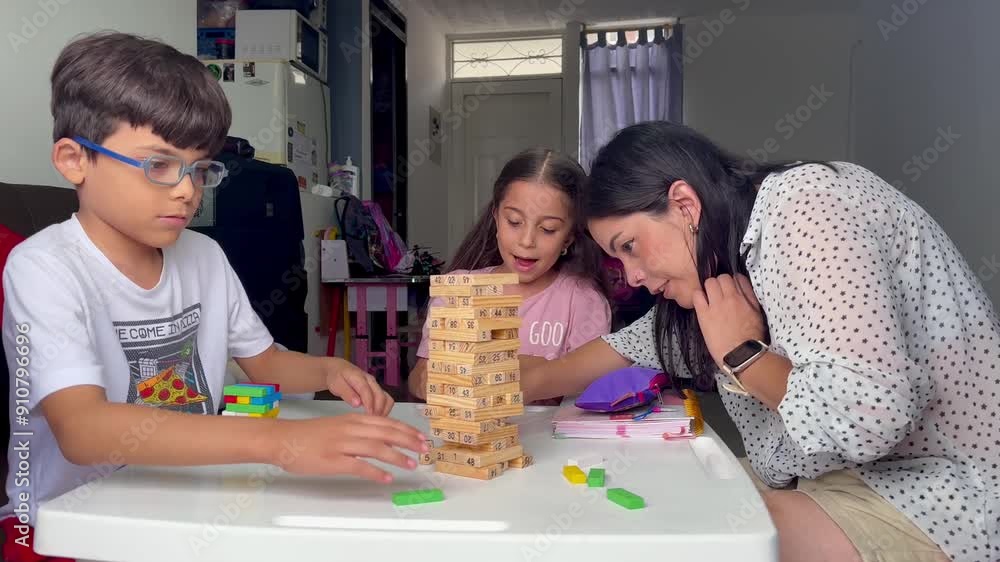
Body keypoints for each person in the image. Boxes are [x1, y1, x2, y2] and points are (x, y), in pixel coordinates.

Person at [0, 32, 428, 558]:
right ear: (73, 160)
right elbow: (83, 429)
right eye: (158, 165)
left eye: (200, 169)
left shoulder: (203, 254)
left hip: (189, 498)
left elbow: (265, 362)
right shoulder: (44, 266)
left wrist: (328, 372)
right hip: (78, 523)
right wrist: (278, 444)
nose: (187, 190)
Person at [524, 121, 997, 562]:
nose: (633, 276)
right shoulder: (720, 269)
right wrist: (523, 376)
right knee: (667, 508)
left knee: (723, 540)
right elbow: (631, 345)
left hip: (949, 489)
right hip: (837, 475)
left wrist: (743, 355)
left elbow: (871, 414)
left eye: (629, 246)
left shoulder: (806, 203)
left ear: (685, 205)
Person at [407, 148, 612, 403]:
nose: (527, 241)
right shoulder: (459, 290)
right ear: (496, 217)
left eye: (548, 229)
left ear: (568, 237)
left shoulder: (583, 301)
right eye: (514, 222)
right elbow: (419, 374)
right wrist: (430, 381)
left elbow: (588, 392)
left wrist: (524, 371)